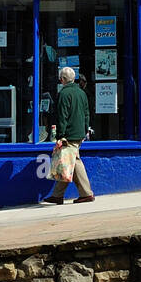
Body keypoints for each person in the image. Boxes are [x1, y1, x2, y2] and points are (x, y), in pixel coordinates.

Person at [44, 67, 96, 204]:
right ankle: (58, 195)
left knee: (72, 163)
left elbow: (62, 117)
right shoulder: (81, 93)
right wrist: (85, 130)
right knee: (70, 162)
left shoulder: (64, 94)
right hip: (79, 133)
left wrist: (61, 136)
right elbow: (86, 114)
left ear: (62, 79)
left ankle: (86, 193)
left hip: (69, 135)